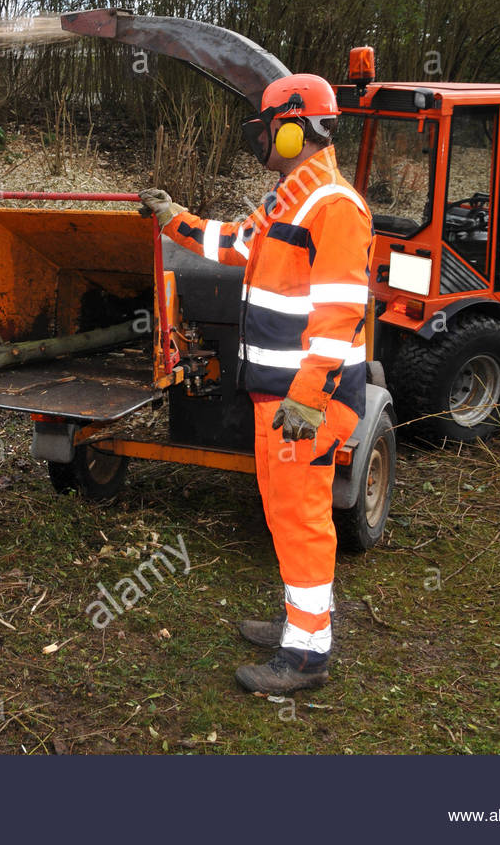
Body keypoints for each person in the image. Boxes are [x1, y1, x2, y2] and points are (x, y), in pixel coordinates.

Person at [138, 74, 372, 693]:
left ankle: (307, 655)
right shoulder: (290, 195)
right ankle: (300, 620)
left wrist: (307, 395)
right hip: (280, 396)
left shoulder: (334, 205)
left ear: (294, 125)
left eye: (266, 125)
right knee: (281, 511)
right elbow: (237, 243)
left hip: (308, 403)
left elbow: (339, 313)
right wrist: (173, 221)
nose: (261, 137)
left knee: (301, 518)